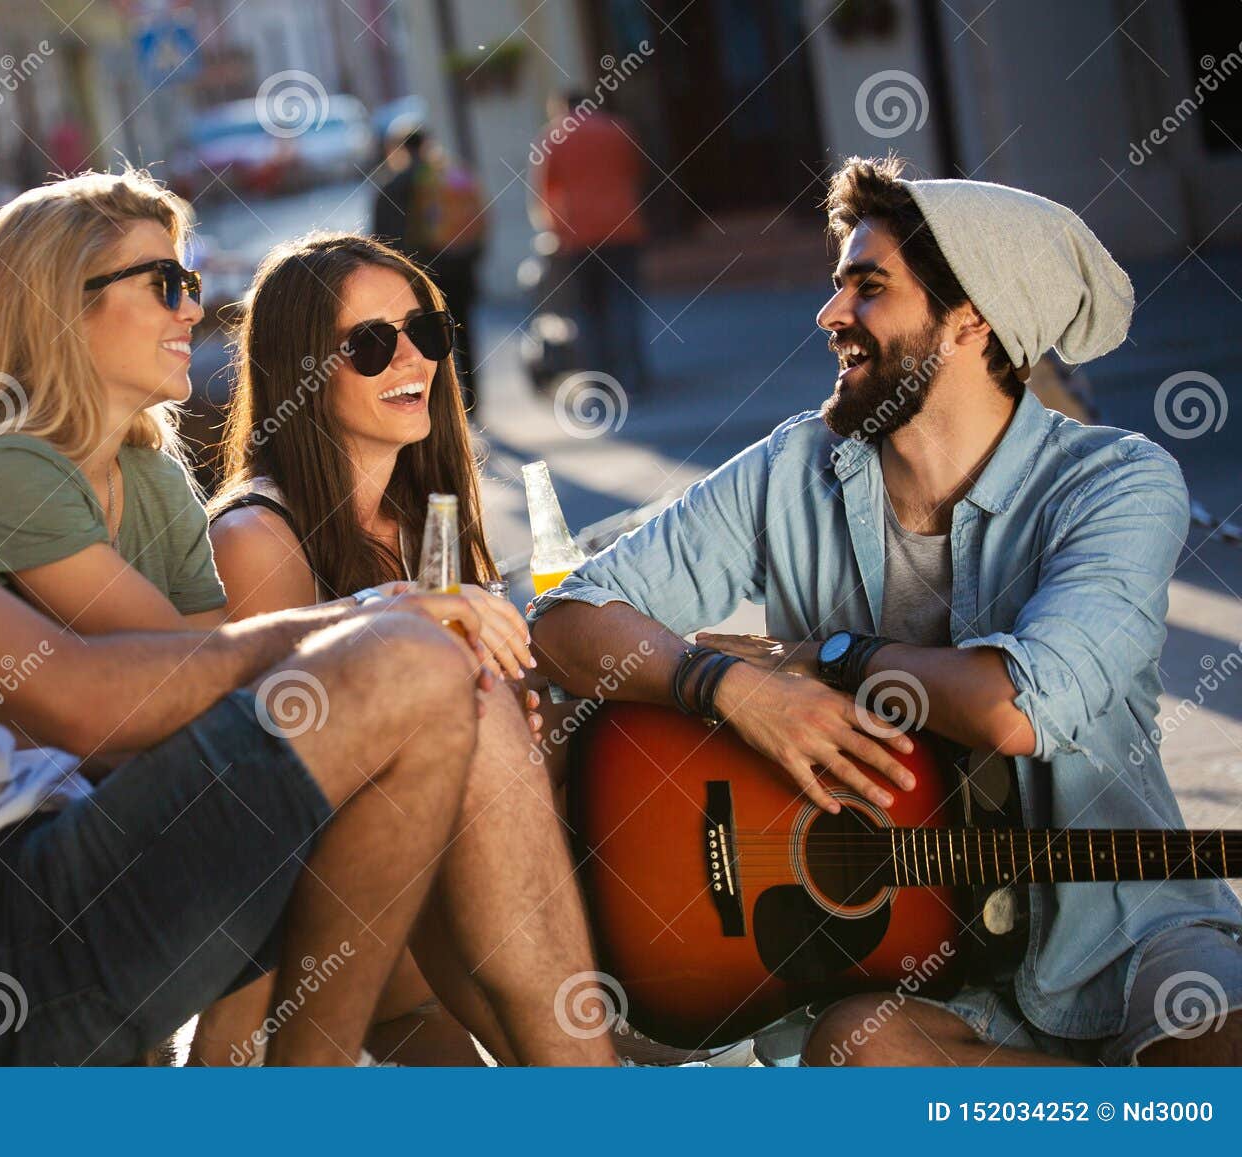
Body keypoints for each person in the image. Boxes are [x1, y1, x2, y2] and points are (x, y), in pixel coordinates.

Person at [0, 46, 619, 1068]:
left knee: (439, 677)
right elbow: (75, 696)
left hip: (35, 877)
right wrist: (361, 623)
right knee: (415, 662)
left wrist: (375, 634)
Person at [529, 155, 1242, 1066]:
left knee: (1213, 1044)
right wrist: (734, 689)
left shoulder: (1115, 484)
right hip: (928, 983)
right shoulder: (791, 471)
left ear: (973, 316)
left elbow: (1017, 707)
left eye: (869, 287)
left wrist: (823, 658)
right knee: (856, 1047)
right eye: (840, 285)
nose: (829, 314)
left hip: (1128, 936)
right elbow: (567, 619)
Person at [199, 231, 548, 1064]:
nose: (411, 359)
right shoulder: (256, 535)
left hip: (426, 947)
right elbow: (272, 803)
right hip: (315, 968)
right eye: (369, 344)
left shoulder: (422, 519)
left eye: (424, 331)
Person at [0, 170, 226, 635]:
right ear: (62, 305)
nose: (193, 310)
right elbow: (175, 658)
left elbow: (217, 660)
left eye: (189, 284)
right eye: (165, 283)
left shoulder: (156, 478)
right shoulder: (2, 468)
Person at [528, 91, 650, 393]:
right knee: (623, 302)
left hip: (578, 237)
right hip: (623, 227)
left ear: (561, 108)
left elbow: (545, 193)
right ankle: (633, 374)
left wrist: (552, 230)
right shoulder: (617, 129)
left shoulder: (554, 135)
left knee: (587, 310)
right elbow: (635, 172)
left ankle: (601, 377)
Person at [370, 122, 484, 410]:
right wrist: (470, 259)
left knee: (427, 346)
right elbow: (476, 222)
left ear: (398, 150)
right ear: (426, 146)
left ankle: (441, 406)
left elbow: (379, 245)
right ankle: (473, 401)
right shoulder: (450, 179)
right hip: (458, 272)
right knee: (464, 336)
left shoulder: (391, 187)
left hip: (418, 281)